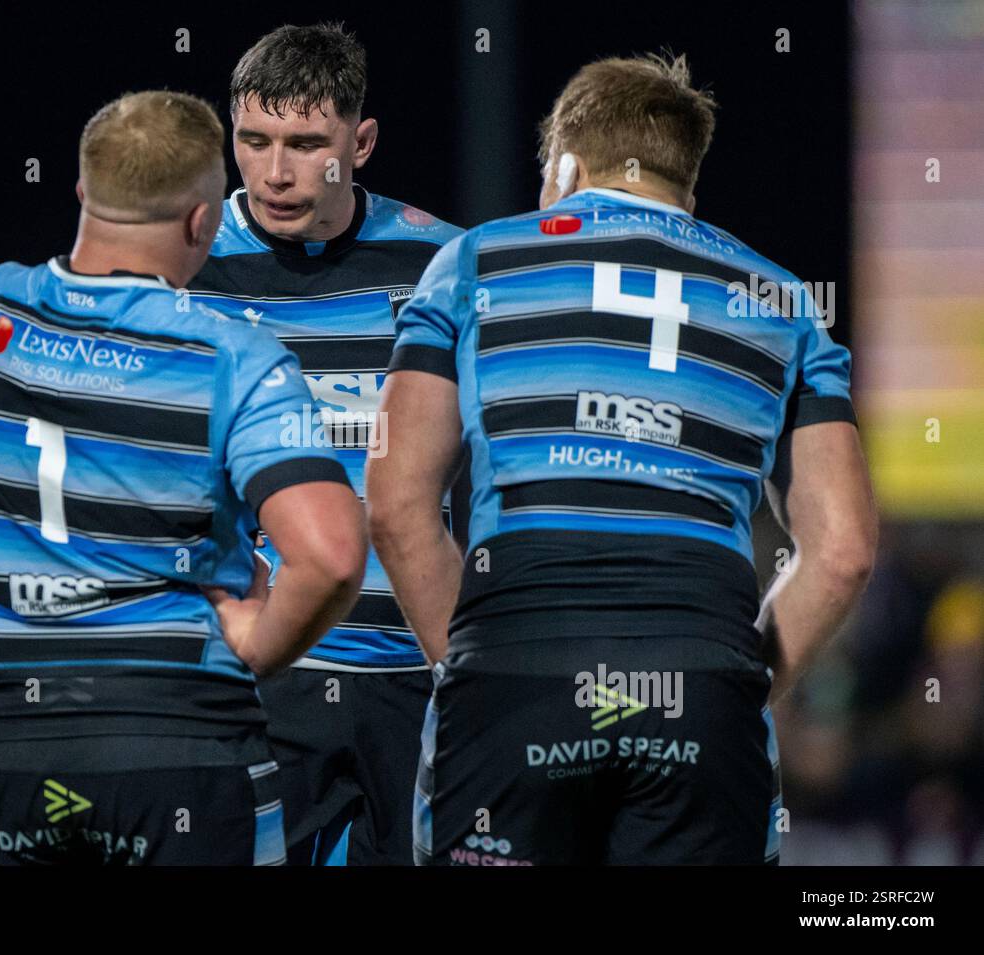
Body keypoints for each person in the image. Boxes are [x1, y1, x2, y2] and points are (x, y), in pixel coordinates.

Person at [0, 90, 366, 865]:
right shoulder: (230, 355)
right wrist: (260, 644)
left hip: (11, 751)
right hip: (183, 744)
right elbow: (330, 554)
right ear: (202, 223)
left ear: (81, 194)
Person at [366, 53, 878, 865]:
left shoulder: (474, 263)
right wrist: (732, 688)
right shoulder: (784, 302)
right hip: (701, 683)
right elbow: (844, 550)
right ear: (687, 185)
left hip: (516, 670)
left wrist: (472, 662)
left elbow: (395, 503)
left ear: (564, 168)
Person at [188, 22, 462, 865]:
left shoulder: (445, 264)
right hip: (254, 675)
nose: (274, 172)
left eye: (307, 144)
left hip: (418, 681)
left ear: (362, 141)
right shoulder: (181, 271)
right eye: (253, 140)